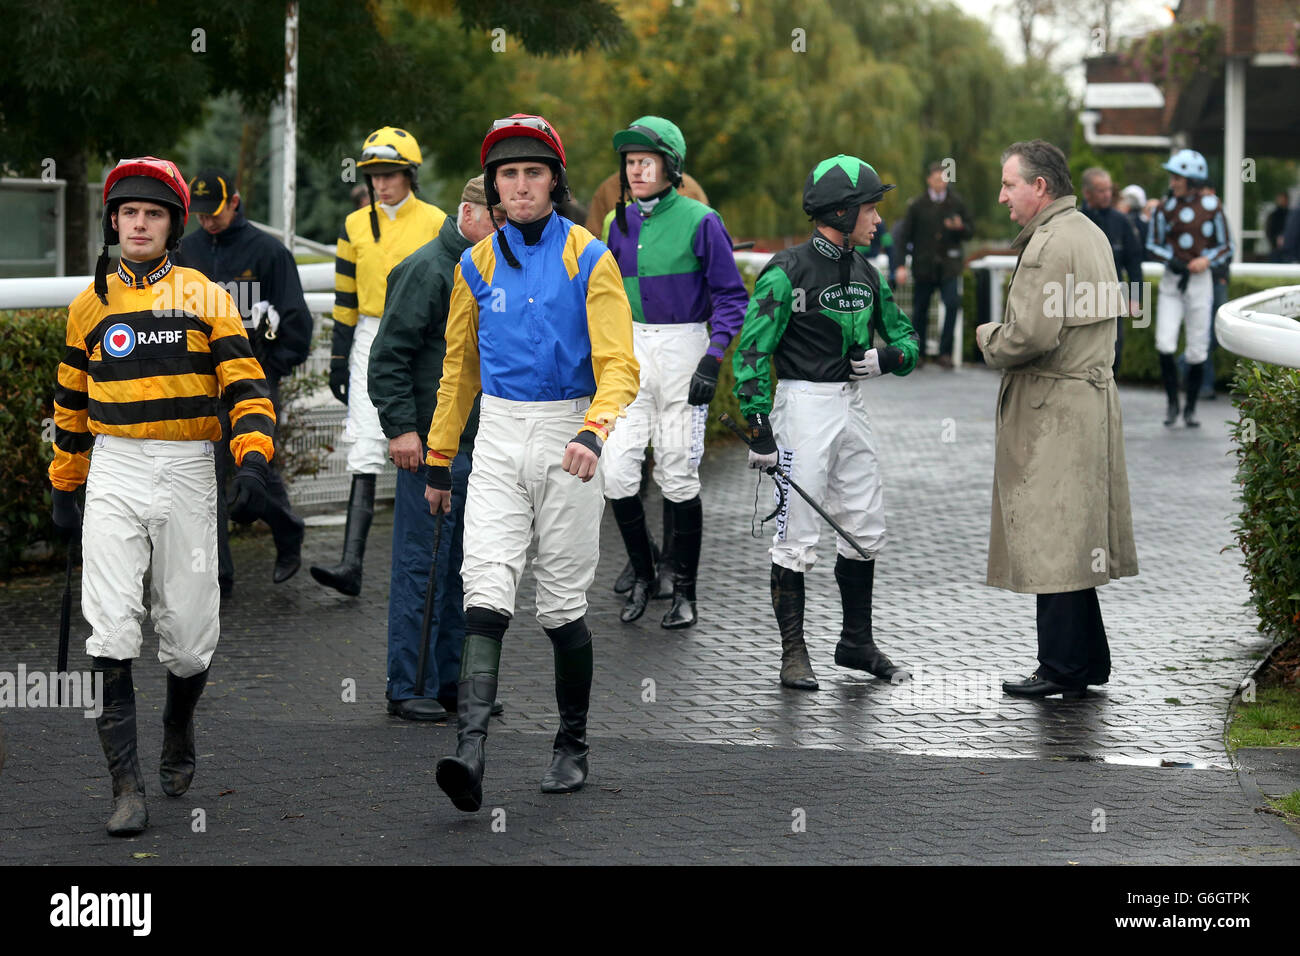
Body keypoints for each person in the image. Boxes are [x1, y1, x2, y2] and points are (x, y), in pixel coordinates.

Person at [49, 157, 274, 834]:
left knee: (188, 637)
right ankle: (126, 787)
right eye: (127, 214)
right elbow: (69, 404)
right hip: (115, 467)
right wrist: (66, 484)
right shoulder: (89, 305)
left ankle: (178, 726)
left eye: (151, 214)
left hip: (185, 470)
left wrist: (254, 460)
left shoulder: (206, 296)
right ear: (113, 221)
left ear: (172, 224)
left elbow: (245, 384)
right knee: (111, 627)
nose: (138, 225)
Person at [423, 114, 638, 812]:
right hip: (498, 438)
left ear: (554, 183)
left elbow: (619, 366)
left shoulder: (588, 257)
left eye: (532, 173)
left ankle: (571, 743)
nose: (519, 186)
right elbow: (458, 372)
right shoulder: (472, 264)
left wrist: (595, 432)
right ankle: (471, 747)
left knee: (560, 605)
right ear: (492, 188)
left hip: (571, 436)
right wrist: (437, 458)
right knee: (484, 585)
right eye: (508, 175)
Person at [733, 154, 918, 691]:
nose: (878, 219)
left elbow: (908, 341)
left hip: (852, 406)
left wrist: (890, 359)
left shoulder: (868, 272)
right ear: (841, 212)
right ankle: (794, 654)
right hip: (801, 408)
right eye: (870, 208)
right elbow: (751, 352)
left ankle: (856, 642)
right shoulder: (785, 270)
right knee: (796, 534)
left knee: (864, 526)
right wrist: (758, 426)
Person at [977, 140, 1138, 699]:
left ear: (1039, 186)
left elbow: (1029, 337)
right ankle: (1086, 660)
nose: (1002, 197)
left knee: (1053, 537)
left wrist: (985, 338)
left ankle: (1061, 667)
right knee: (1074, 536)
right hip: (1088, 400)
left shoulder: (1048, 244)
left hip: (1052, 407)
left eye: (1008, 184)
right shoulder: (1089, 232)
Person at [599, 116, 749, 629]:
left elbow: (732, 296)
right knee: (616, 471)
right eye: (630, 161)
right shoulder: (613, 224)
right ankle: (645, 574)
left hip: (686, 347)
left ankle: (685, 591)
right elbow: (604, 298)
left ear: (671, 166)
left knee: (677, 475)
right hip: (631, 351)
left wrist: (714, 355)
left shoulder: (702, 220)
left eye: (646, 160)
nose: (635, 169)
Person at [367, 176, 506, 721]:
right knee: (422, 566)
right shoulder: (429, 268)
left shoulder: (481, 266)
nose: (504, 232)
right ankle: (408, 686)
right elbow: (389, 356)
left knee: (462, 568)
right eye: (496, 221)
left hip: (473, 444)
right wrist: (401, 429)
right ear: (470, 214)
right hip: (430, 448)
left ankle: (449, 683)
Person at [312, 127, 447, 595]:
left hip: (428, 340)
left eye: (390, 175)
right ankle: (351, 565)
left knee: (433, 439)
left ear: (409, 175)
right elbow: (345, 300)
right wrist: (337, 356)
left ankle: (438, 555)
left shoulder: (436, 221)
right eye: (373, 177)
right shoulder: (353, 226)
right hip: (371, 335)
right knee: (367, 445)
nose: (381, 185)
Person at [176, 167, 311, 591]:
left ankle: (286, 528)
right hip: (200, 382)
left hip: (253, 379)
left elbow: (296, 320)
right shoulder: (183, 251)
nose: (207, 221)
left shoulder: (268, 253)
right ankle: (218, 572)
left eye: (214, 212)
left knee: (253, 468)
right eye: (199, 214)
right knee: (205, 473)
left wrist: (273, 370)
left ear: (235, 202)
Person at [1146, 149, 1233, 428]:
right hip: (1173, 280)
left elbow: (1227, 246)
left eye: (1177, 177)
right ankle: (1172, 404)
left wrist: (1206, 259)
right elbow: (1152, 244)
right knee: (1164, 342)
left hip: (1199, 281)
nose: (1172, 182)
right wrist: (1173, 260)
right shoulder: (1163, 208)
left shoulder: (1212, 207)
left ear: (1192, 179)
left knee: (1198, 347)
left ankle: (1191, 408)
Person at [892, 161, 974, 369]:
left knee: (952, 303)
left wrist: (959, 227)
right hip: (924, 266)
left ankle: (944, 353)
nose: (940, 183)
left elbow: (970, 231)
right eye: (936, 179)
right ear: (929, 180)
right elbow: (903, 237)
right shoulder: (917, 205)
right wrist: (900, 265)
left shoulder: (957, 203)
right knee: (920, 309)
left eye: (944, 179)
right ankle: (917, 353)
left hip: (949, 267)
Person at [1079, 167, 1144, 374]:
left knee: (1114, 353)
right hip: (1081, 297)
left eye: (1109, 189)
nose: (1107, 194)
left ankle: (1106, 399)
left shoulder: (1121, 222)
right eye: (1101, 190)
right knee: (1084, 355)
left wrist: (1135, 297)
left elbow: (1134, 262)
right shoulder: (1076, 220)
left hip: (1114, 296)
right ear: (1087, 193)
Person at [1266, 192, 1289, 259]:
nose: (1282, 201)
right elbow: (1269, 231)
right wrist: (1275, 239)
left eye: (1283, 199)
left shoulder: (1290, 215)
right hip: (1275, 248)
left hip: (1288, 250)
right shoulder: (1273, 215)